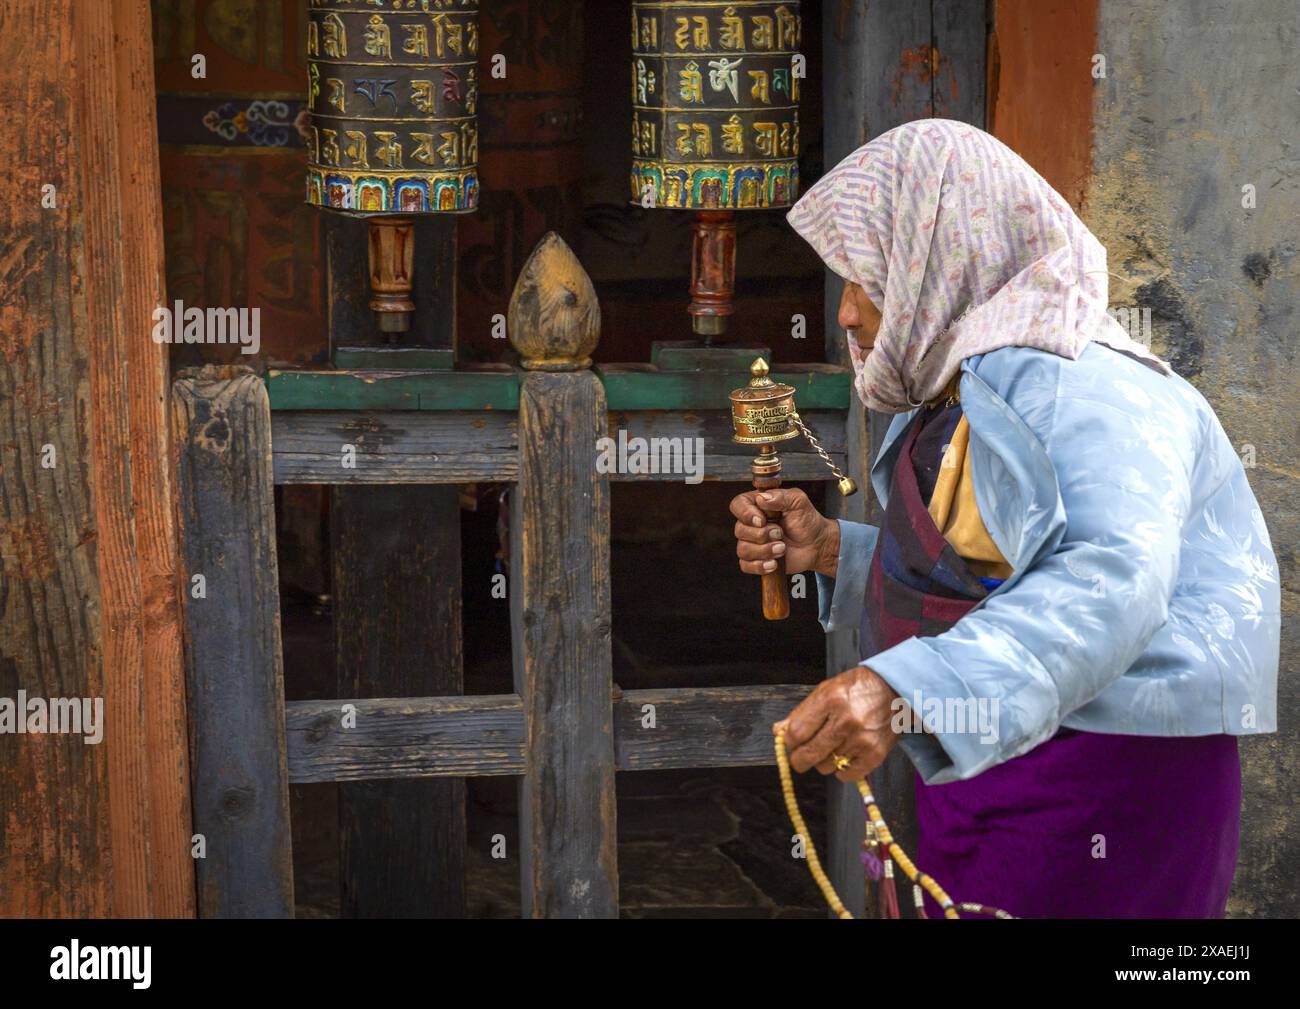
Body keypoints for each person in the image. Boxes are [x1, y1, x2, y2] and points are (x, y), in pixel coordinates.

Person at [729, 119, 1280, 918]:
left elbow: (1107, 578)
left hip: (1105, 783)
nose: (847, 313)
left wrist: (898, 689)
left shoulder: (1086, 385)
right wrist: (832, 553)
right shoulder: (973, 379)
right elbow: (996, 579)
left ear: (936, 258)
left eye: (867, 278)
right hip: (997, 767)